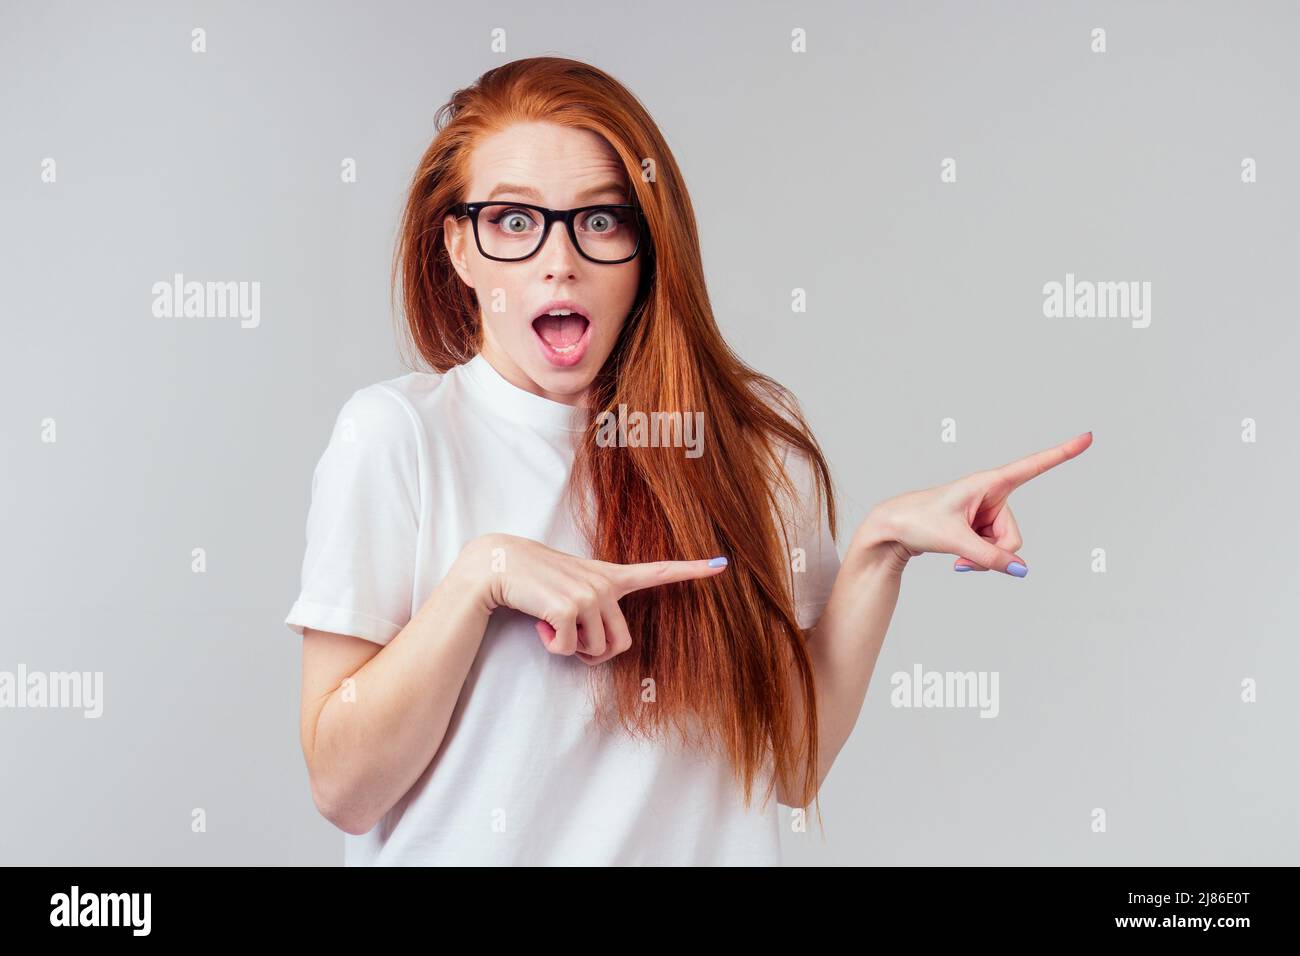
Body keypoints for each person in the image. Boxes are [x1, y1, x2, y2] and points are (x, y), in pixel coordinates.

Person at [284, 56, 1092, 866]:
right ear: (459, 247)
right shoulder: (397, 439)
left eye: (600, 220)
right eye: (514, 221)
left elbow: (792, 764)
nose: (558, 260)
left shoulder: (749, 448)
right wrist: (478, 580)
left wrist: (883, 549)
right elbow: (345, 789)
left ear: (646, 247)